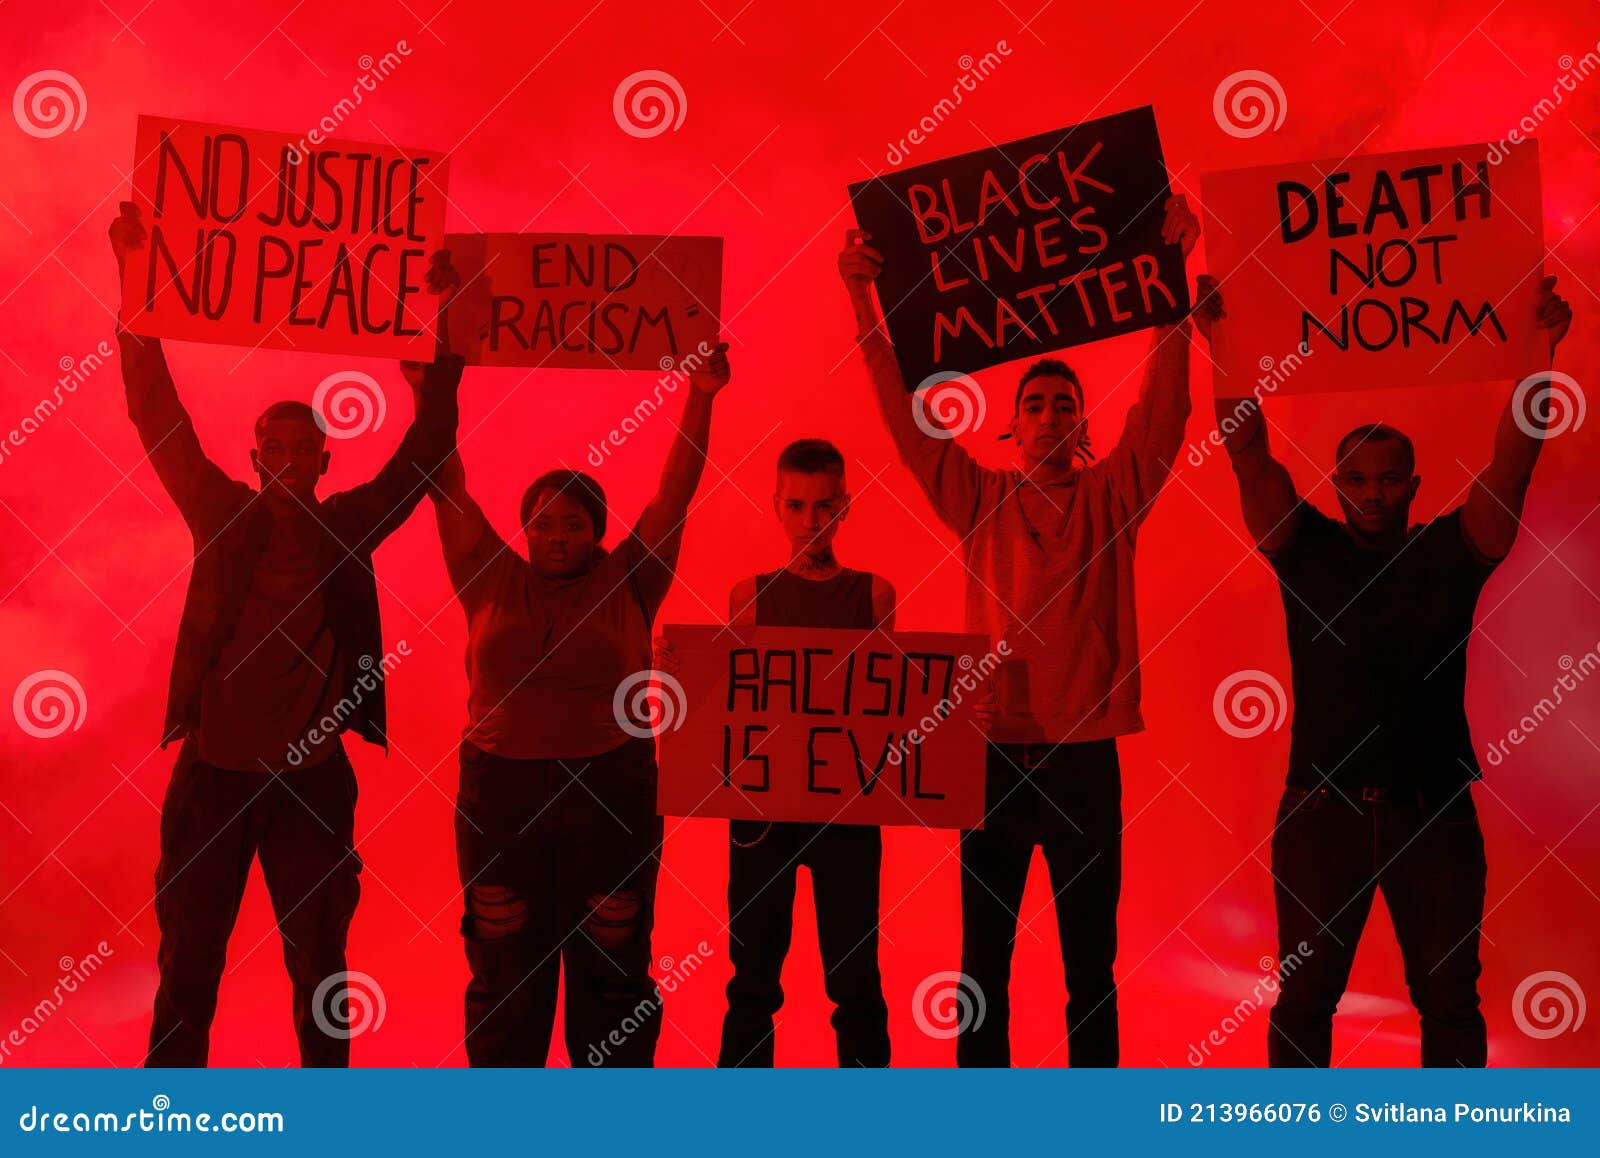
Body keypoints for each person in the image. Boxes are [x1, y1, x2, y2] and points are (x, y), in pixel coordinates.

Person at [837, 197, 1201, 1067]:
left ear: (1082, 422)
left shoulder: (1117, 497)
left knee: (1090, 969)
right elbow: (905, 420)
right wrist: (862, 300)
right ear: (1013, 422)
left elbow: (1166, 410)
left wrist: (1171, 274)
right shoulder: (980, 500)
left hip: (1084, 758)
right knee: (982, 969)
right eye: (1033, 402)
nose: (1047, 414)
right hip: (991, 755)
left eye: (1062, 402)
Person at [108, 202, 462, 1067]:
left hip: (311, 780)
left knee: (321, 974)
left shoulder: (346, 527)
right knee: (189, 965)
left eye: (307, 449)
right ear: (257, 457)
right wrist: (131, 277)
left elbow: (428, 451)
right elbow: (156, 414)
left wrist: (446, 329)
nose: (292, 461)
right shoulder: (222, 516)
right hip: (215, 779)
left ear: (325, 460)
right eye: (277, 448)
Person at [1192, 273, 1573, 1067]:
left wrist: (1539, 351)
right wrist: (1223, 347)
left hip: (1431, 816)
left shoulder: (1450, 552)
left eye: (1387, 478)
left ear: (1413, 485)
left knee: (1449, 1003)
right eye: (1357, 479)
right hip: (1319, 814)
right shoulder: (1306, 550)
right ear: (1336, 485)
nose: (1372, 493)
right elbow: (1249, 454)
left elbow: (1512, 462)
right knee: (1304, 1000)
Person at [431, 339, 732, 1067]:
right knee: (505, 964)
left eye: (572, 523)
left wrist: (701, 395)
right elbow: (445, 483)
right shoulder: (488, 574)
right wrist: (432, 387)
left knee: (612, 958)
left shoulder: (631, 577)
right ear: (524, 527)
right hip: (499, 791)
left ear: (597, 530)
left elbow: (675, 494)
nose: (555, 534)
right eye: (542, 520)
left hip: (609, 788)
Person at [659, 438, 900, 1066]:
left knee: (854, 979)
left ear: (845, 506)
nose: (811, 522)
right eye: (797, 506)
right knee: (753, 978)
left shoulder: (875, 595)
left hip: (847, 809)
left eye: (825, 507)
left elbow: (885, 704)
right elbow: (732, 701)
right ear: (776, 506)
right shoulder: (749, 596)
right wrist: (682, 670)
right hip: (762, 810)